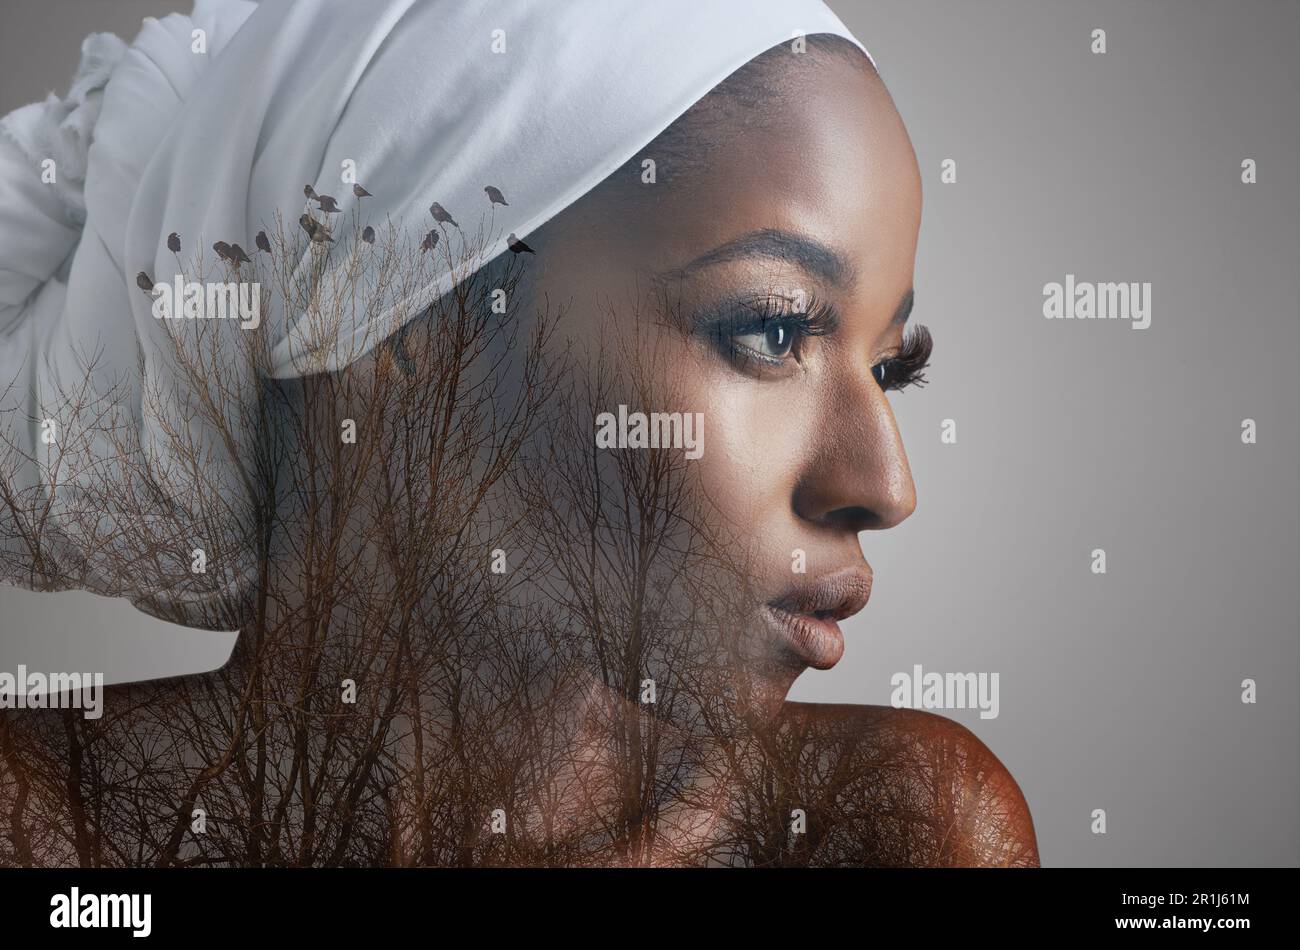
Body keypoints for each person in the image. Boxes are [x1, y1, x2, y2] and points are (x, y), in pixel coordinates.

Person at [0, 0, 1037, 866]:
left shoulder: (894, 830)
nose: (884, 485)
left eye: (892, 366)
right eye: (770, 328)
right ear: (399, 320)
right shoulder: (40, 831)